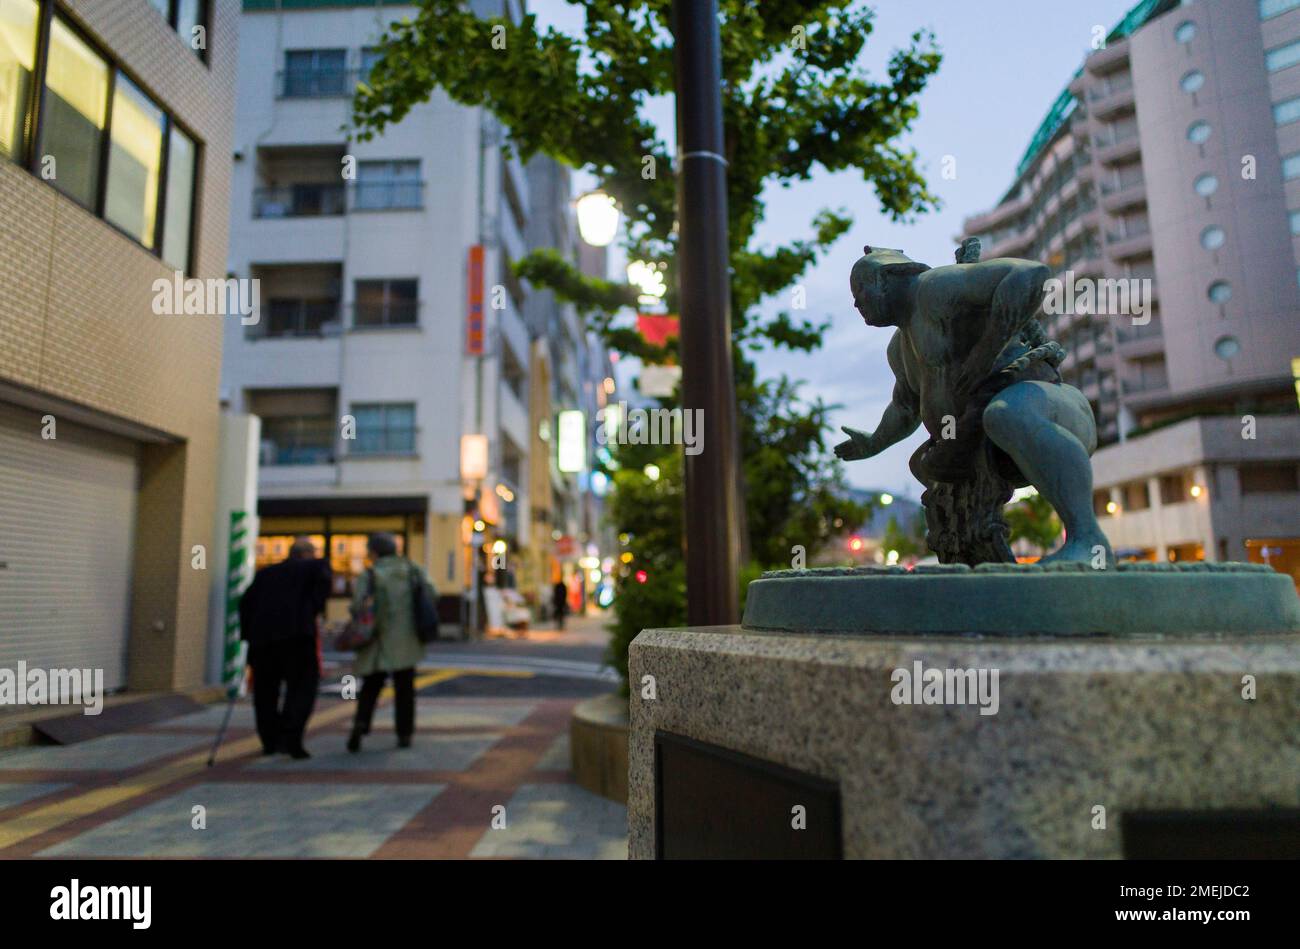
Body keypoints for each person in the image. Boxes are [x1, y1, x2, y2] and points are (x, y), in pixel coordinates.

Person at [238, 536, 331, 759]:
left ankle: (270, 740)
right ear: (309, 554)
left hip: (263, 641)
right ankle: (292, 737)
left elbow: (245, 604)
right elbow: (321, 594)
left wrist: (249, 636)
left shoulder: (265, 574)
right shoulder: (314, 568)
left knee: (265, 692)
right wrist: (312, 612)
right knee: (302, 688)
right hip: (298, 637)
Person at [347, 533, 435, 752]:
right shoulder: (413, 570)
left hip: (376, 639)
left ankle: (361, 723)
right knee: (405, 689)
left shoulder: (370, 574)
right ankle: (404, 734)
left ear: (374, 552)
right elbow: (433, 594)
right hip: (407, 638)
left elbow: (357, 605)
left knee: (371, 687)